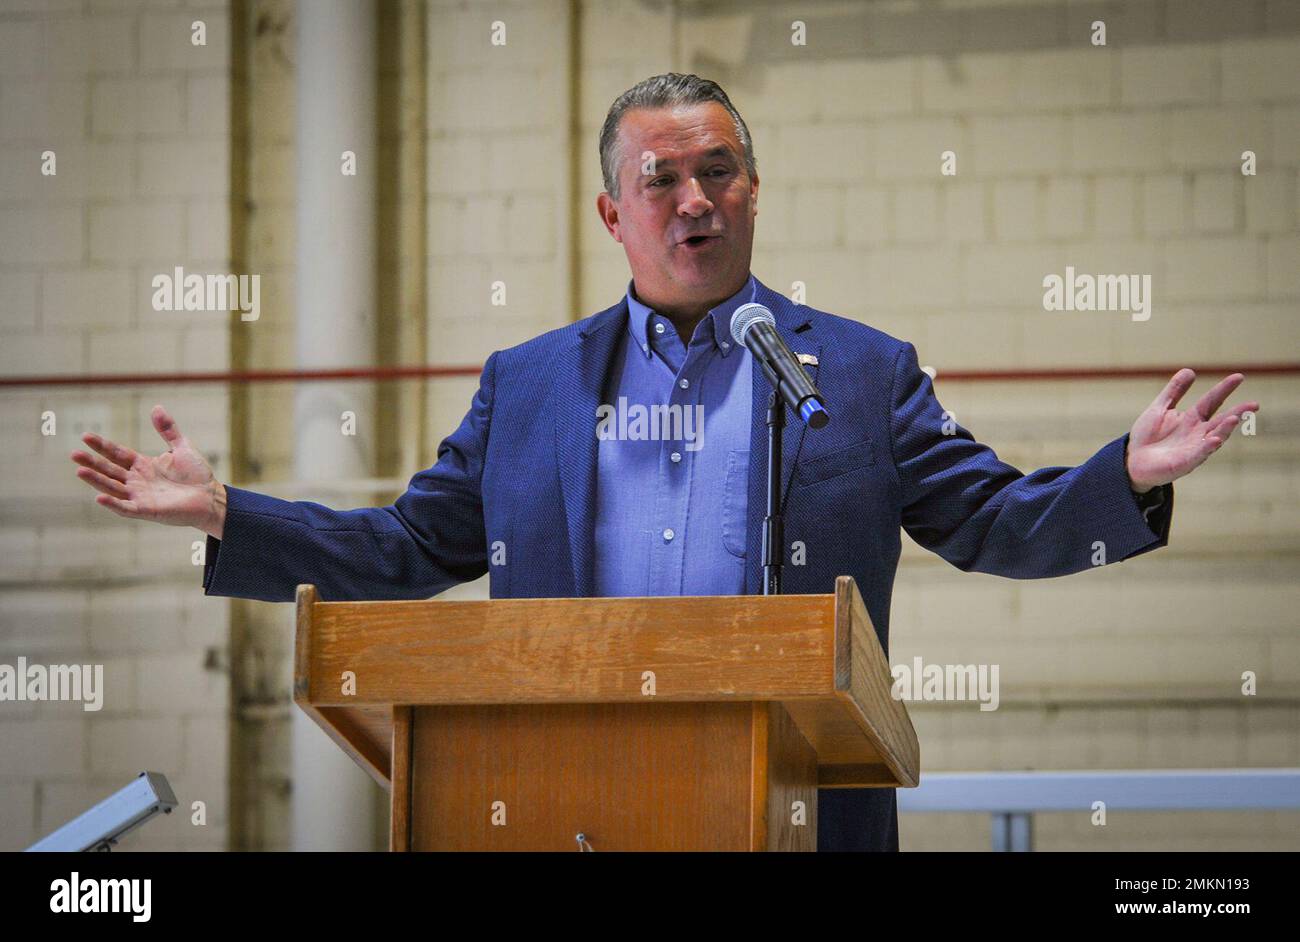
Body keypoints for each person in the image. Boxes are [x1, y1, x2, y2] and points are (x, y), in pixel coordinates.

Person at [70, 73, 1258, 851]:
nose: (696, 200)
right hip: (557, 806)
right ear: (612, 214)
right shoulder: (528, 385)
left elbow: (994, 521)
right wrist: (230, 512)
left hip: (798, 803)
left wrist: (1127, 480)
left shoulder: (858, 371)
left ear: (753, 191)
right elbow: (408, 547)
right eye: (662, 180)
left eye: (719, 173)